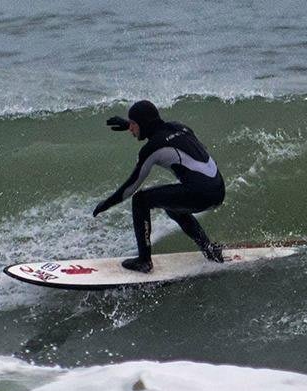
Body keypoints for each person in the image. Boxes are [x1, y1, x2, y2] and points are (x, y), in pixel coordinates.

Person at [92, 100, 225, 272]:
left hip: (201, 193)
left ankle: (144, 261)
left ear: (142, 124)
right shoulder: (179, 127)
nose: (131, 129)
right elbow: (156, 127)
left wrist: (106, 204)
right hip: (218, 188)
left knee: (140, 200)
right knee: (173, 207)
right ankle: (209, 250)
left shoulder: (152, 148)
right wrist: (128, 124)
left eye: (133, 125)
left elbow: (130, 188)